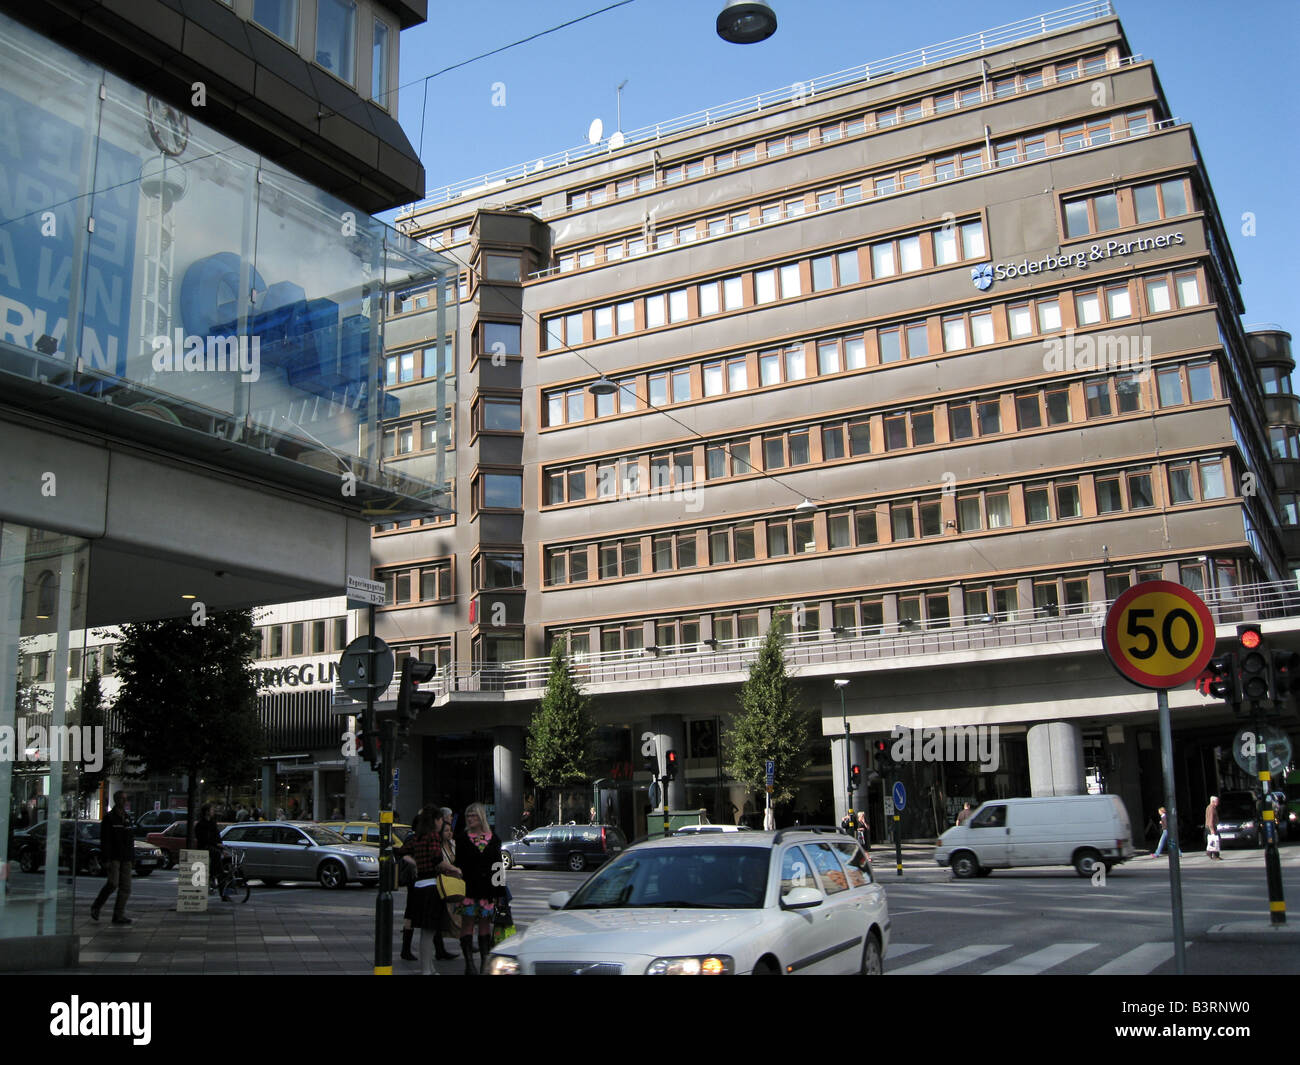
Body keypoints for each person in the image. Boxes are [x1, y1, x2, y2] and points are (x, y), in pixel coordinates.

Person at [399, 808, 460, 974]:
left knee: (427, 932)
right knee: (428, 932)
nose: (442, 823)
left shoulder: (417, 837)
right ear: (434, 821)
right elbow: (437, 860)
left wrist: (416, 863)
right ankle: (426, 969)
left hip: (419, 886)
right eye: (440, 820)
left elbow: (402, 852)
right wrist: (455, 870)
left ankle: (429, 968)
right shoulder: (432, 836)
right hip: (431, 887)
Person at [454, 801, 503, 975]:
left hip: (488, 890)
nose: (470, 819)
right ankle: (469, 963)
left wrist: (500, 892)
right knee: (467, 923)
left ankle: (484, 962)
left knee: (485, 925)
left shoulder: (494, 838)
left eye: (473, 815)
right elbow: (458, 863)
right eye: (468, 816)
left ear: (481, 817)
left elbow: (498, 866)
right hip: (468, 888)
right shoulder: (461, 839)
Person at [90, 791, 134, 924]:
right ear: (116, 800)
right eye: (122, 799)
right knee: (112, 883)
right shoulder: (110, 818)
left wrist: (132, 857)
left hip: (125, 857)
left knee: (126, 887)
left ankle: (118, 914)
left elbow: (130, 839)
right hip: (114, 856)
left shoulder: (127, 818)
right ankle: (96, 906)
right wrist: (106, 859)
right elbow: (106, 840)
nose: (124, 801)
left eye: (125, 799)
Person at [438, 812, 460, 960]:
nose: (449, 833)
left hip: (456, 883)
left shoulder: (453, 844)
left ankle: (464, 940)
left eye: (450, 830)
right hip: (444, 884)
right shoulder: (437, 846)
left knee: (457, 914)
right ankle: (440, 949)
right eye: (446, 830)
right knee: (444, 916)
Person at [195, 803, 221, 889]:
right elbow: (203, 839)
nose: (213, 811)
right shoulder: (201, 824)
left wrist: (220, 844)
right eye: (212, 810)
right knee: (216, 854)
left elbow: (217, 835)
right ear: (207, 812)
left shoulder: (213, 823)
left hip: (213, 846)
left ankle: (217, 876)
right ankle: (213, 875)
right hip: (205, 847)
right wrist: (216, 843)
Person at [1205, 795, 1221, 860]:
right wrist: (1212, 829)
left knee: (1213, 840)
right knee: (1215, 841)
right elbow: (1210, 819)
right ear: (1213, 801)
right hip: (1211, 827)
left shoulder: (1211, 807)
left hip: (1211, 826)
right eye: (1217, 801)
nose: (1218, 802)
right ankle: (1214, 855)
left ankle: (1210, 853)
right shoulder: (1211, 808)